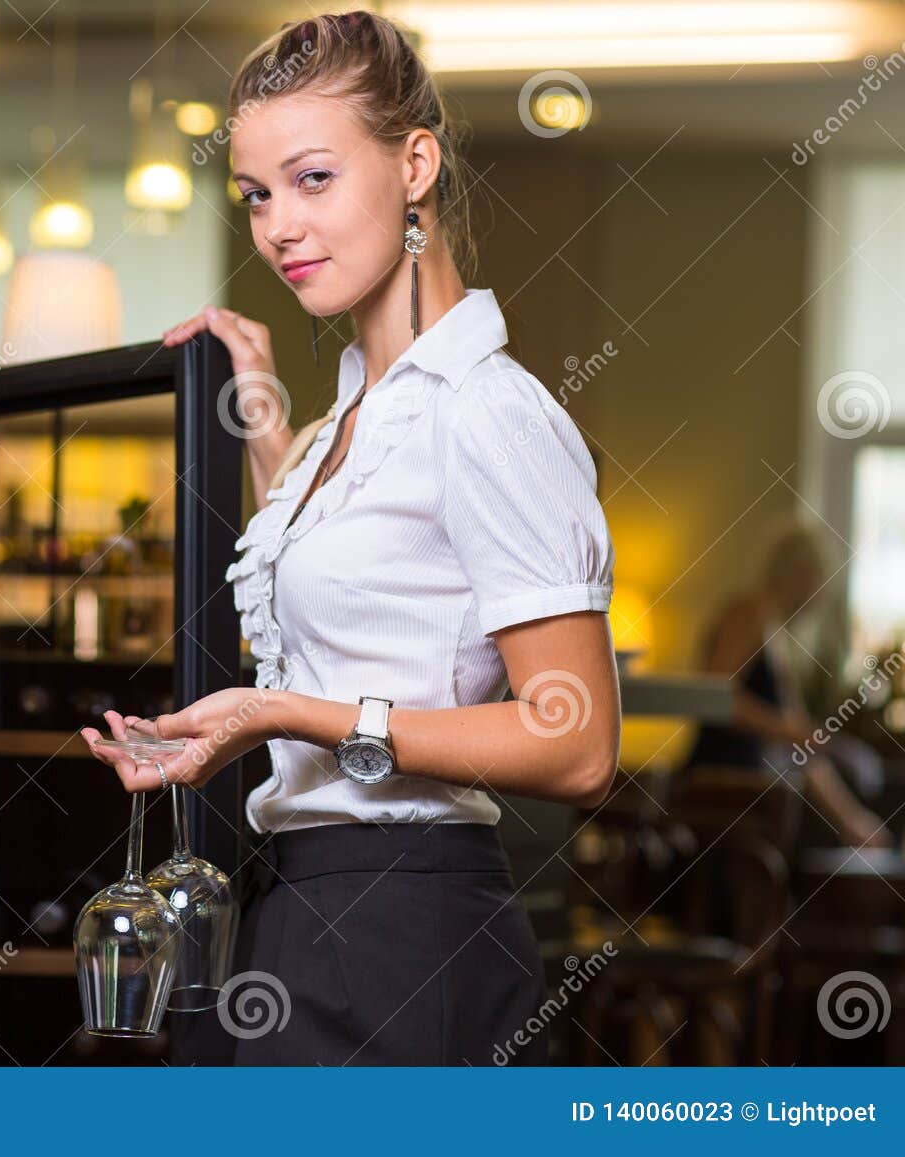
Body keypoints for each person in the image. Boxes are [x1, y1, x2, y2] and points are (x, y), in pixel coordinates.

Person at [81, 10, 620, 1066]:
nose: (278, 223)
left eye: (313, 178)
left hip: (404, 933)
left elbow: (577, 740)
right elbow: (374, 592)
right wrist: (268, 417)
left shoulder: (484, 410)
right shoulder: (351, 422)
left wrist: (280, 711)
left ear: (414, 163)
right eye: (255, 194)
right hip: (297, 906)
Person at [684, 518, 890, 849]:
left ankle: (857, 838)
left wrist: (851, 816)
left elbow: (799, 738)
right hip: (722, 776)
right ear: (802, 575)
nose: (822, 595)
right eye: (821, 581)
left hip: (758, 776)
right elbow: (717, 698)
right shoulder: (747, 613)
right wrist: (794, 733)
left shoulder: (777, 634)